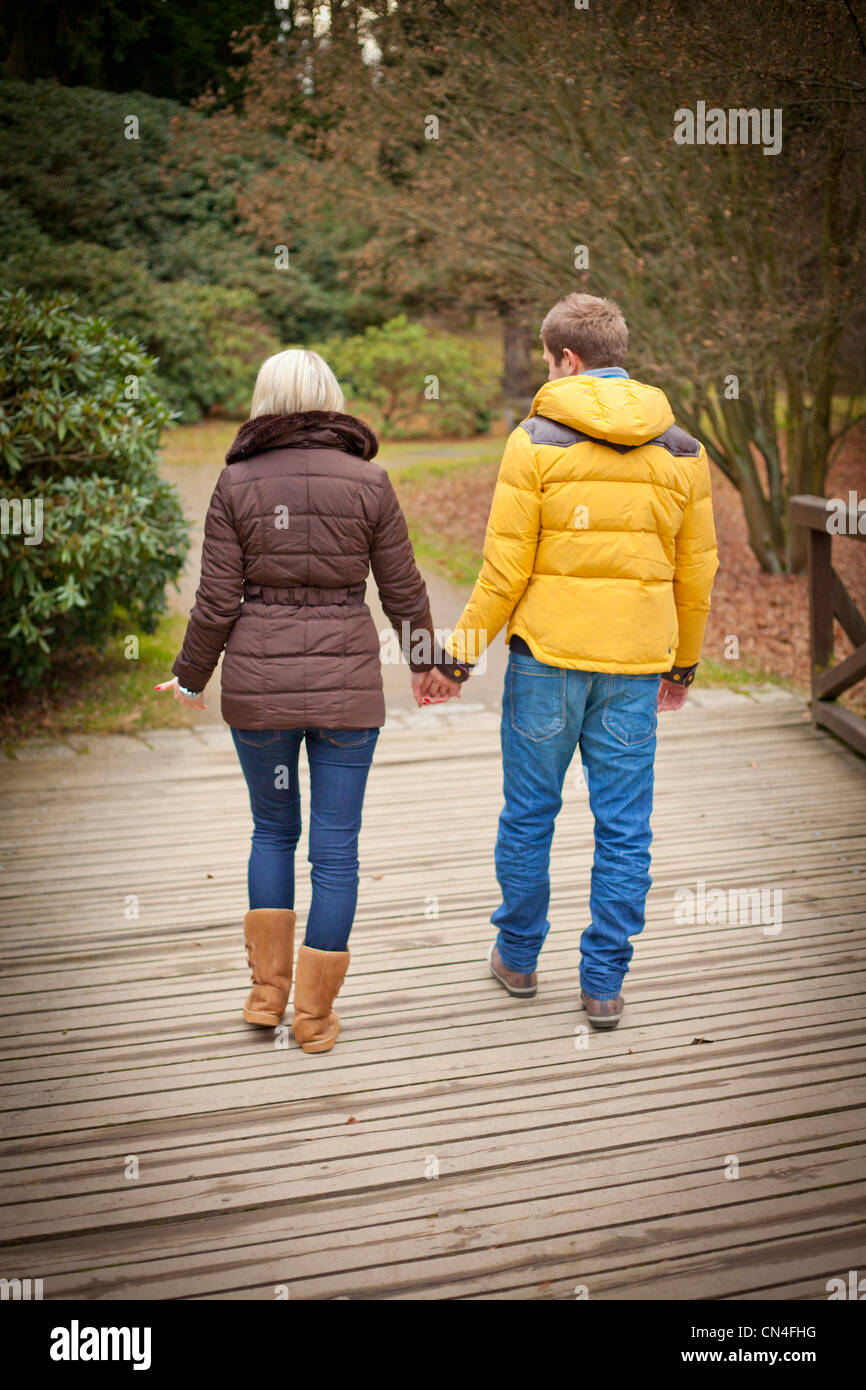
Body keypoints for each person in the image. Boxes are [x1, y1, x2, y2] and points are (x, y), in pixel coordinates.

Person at [156, 349, 461, 1053]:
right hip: (347, 690)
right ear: (330, 398)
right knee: (337, 853)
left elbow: (216, 601)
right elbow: (404, 590)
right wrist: (427, 666)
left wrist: (192, 675)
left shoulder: (234, 482)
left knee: (271, 832)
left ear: (264, 400)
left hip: (259, 691)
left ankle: (267, 995)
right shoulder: (370, 481)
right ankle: (315, 1018)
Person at [430, 292, 719, 1029]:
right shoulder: (684, 450)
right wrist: (681, 666)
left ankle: (519, 959)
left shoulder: (535, 441)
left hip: (546, 661)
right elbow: (697, 574)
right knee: (626, 827)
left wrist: (454, 661)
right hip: (633, 666)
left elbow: (504, 572)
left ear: (566, 358)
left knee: (530, 815)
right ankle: (603, 985)